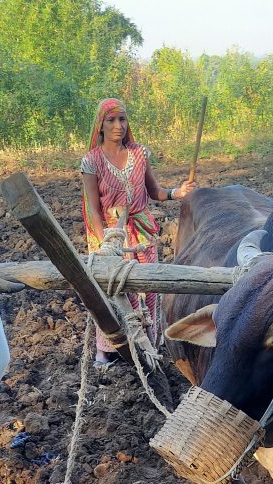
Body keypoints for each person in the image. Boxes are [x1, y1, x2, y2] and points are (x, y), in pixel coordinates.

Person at [80, 98, 195, 367]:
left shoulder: (140, 153)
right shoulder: (91, 161)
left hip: (142, 231)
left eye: (122, 119)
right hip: (109, 234)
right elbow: (94, 209)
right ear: (100, 125)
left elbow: (153, 191)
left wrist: (176, 193)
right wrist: (104, 242)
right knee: (113, 290)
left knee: (149, 288)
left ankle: (149, 345)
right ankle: (107, 350)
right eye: (111, 120)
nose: (118, 126)